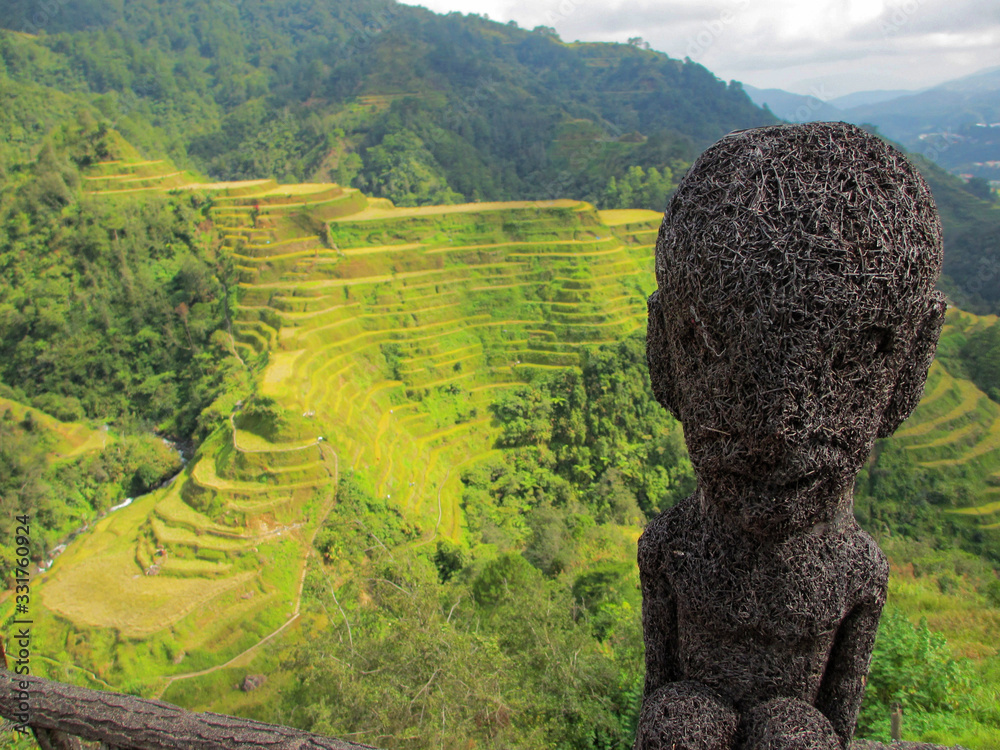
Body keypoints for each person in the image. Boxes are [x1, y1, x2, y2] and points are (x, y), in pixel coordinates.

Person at [637, 122, 946, 750]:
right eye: (710, 349)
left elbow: (838, 719)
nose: (776, 431)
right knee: (679, 726)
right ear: (664, 354)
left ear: (910, 368)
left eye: (854, 357)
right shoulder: (670, 549)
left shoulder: (857, 573)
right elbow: (659, 686)